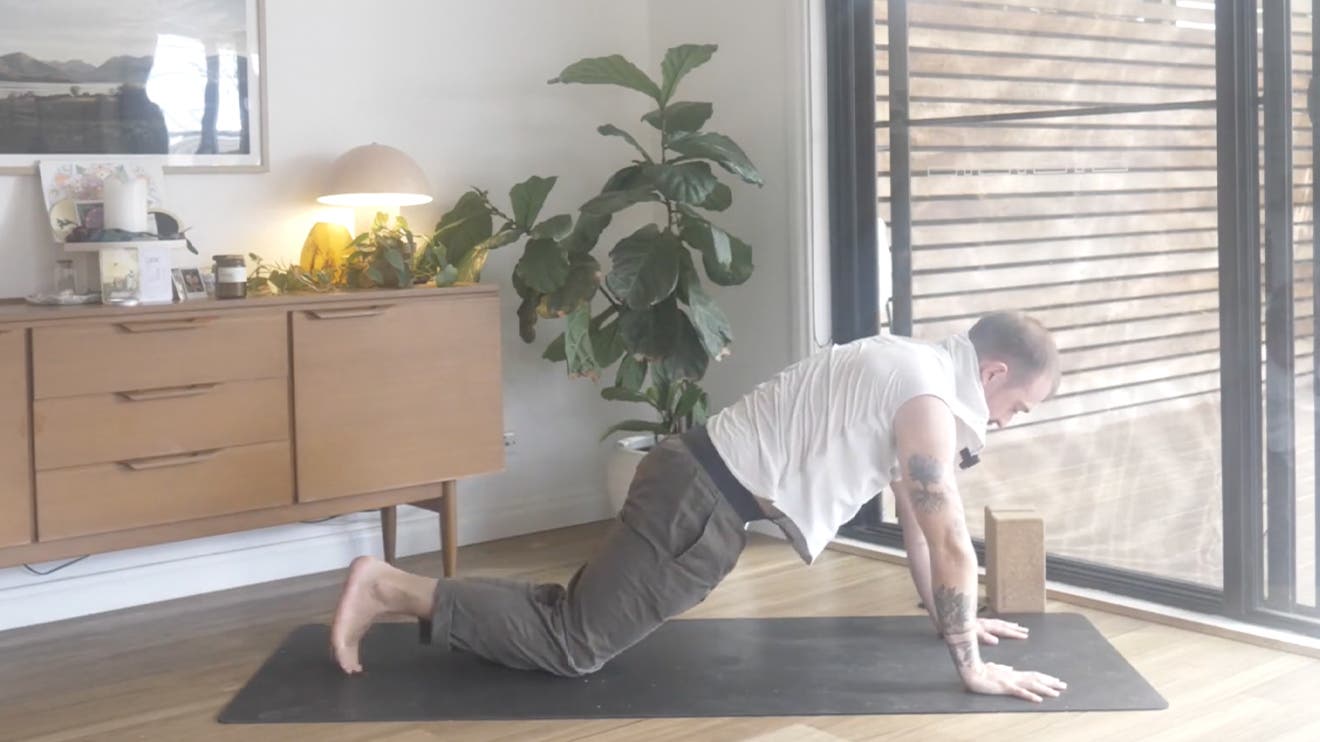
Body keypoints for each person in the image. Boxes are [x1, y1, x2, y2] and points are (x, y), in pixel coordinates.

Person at [329, 310, 1069, 704]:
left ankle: (406, 592)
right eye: (1017, 405)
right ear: (994, 371)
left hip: (699, 490)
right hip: (699, 504)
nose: (1007, 420)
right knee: (574, 647)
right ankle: (389, 587)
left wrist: (952, 621)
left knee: (581, 620)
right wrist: (971, 667)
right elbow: (948, 542)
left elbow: (917, 517)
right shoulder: (926, 394)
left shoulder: (911, 366)